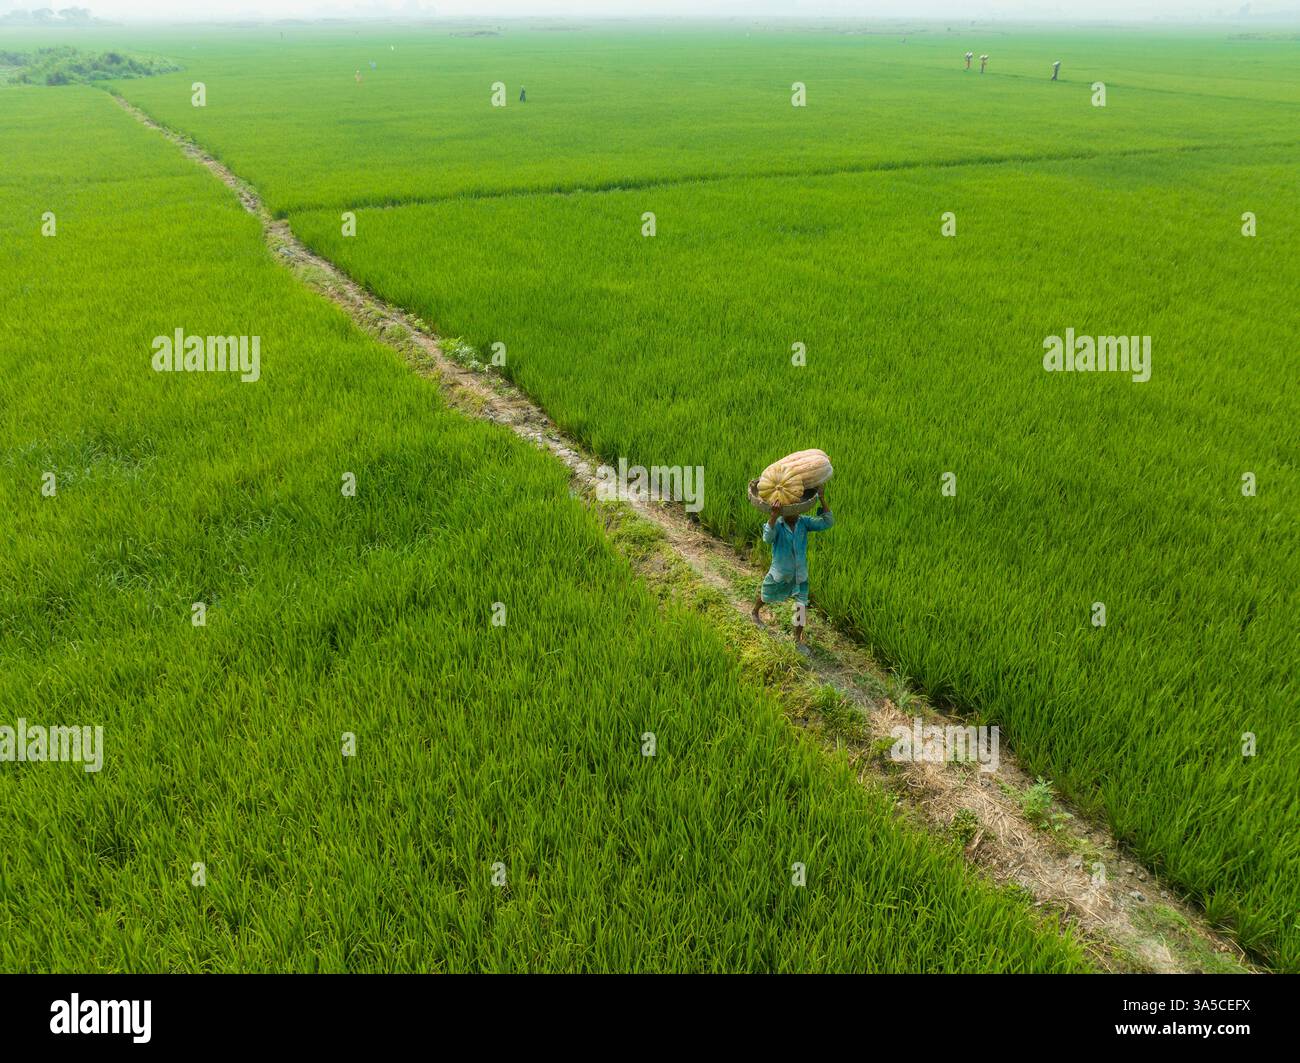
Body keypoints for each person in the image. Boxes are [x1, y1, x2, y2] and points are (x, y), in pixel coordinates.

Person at [752, 485, 833, 656]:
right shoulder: (778, 525)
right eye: (790, 511)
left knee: (801, 606)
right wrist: (773, 517)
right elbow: (767, 538)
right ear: (783, 512)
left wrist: (822, 498)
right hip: (780, 572)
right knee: (766, 594)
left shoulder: (804, 522)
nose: (794, 514)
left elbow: (827, 522)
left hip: (800, 574)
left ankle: (797, 639)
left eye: (796, 510)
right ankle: (755, 612)